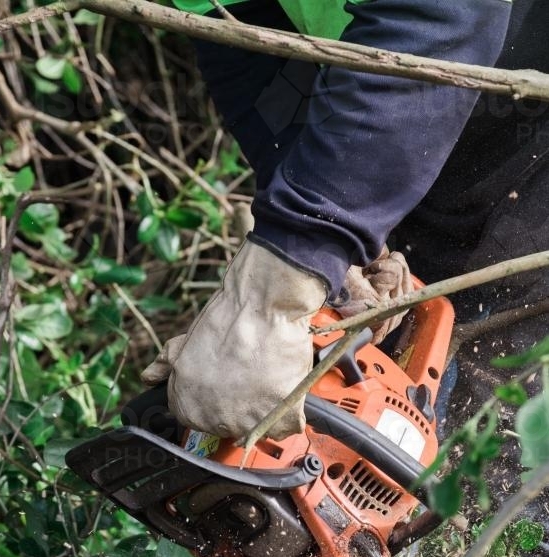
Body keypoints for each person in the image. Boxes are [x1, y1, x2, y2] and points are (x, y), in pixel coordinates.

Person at [142, 0, 549, 455]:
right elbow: (244, 43)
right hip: (399, 116)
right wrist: (341, 238)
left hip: (524, 134)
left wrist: (276, 287)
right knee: (385, 347)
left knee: (504, 419)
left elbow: (444, 16)